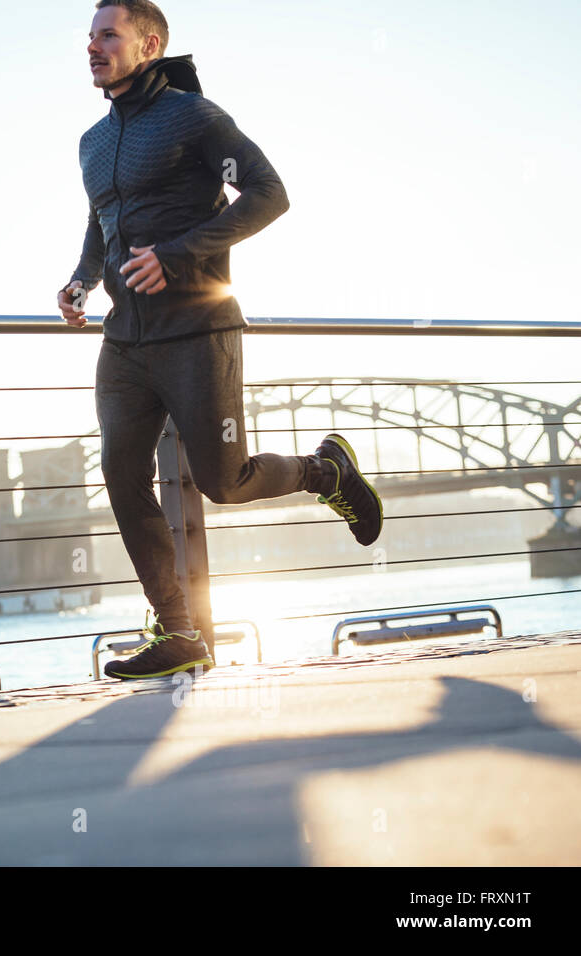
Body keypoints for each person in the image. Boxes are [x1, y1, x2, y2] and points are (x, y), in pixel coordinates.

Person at [57, 0, 383, 679]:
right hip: (125, 342)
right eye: (90, 36)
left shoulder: (195, 120)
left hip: (199, 330)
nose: (93, 46)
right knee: (121, 476)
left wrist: (175, 253)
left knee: (222, 482)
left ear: (148, 46)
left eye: (108, 35)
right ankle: (180, 633)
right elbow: (102, 223)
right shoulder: (91, 141)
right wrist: (81, 282)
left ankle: (328, 472)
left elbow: (267, 194)